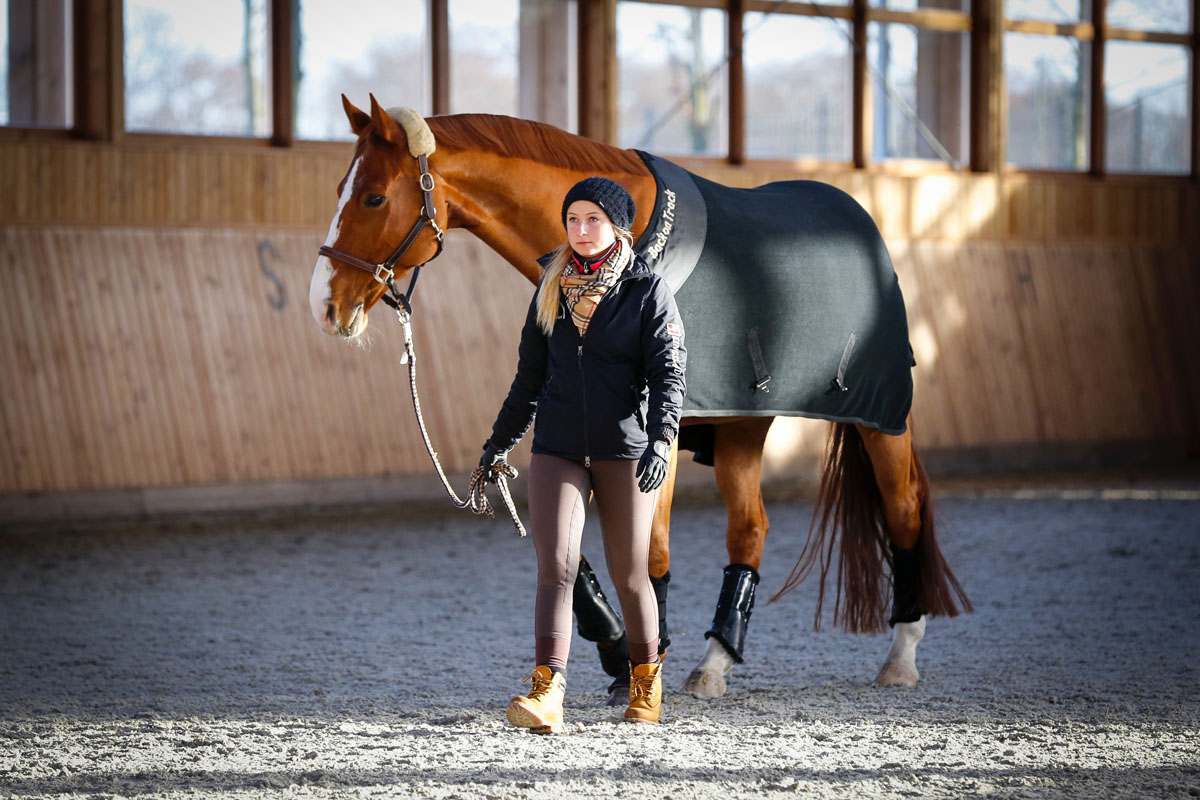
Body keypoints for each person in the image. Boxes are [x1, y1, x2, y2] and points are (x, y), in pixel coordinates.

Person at [479, 176, 686, 733]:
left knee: (630, 576)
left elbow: (669, 373)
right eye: (573, 219)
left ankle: (646, 681)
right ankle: (548, 690)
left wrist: (662, 440)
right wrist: (499, 441)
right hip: (558, 448)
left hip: (626, 450)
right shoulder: (550, 285)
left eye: (593, 219)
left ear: (617, 226)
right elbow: (529, 377)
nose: (581, 230)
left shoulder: (646, 290)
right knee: (556, 569)